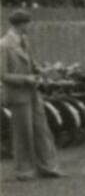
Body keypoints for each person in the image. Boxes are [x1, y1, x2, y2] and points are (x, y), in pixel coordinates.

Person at [0, 10, 64, 180]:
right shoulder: (4, 45)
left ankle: (48, 166)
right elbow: (3, 75)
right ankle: (24, 170)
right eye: (27, 23)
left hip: (32, 92)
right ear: (20, 24)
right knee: (23, 133)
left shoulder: (24, 41)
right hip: (18, 95)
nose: (29, 26)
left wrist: (38, 70)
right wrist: (25, 78)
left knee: (42, 129)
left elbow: (29, 62)